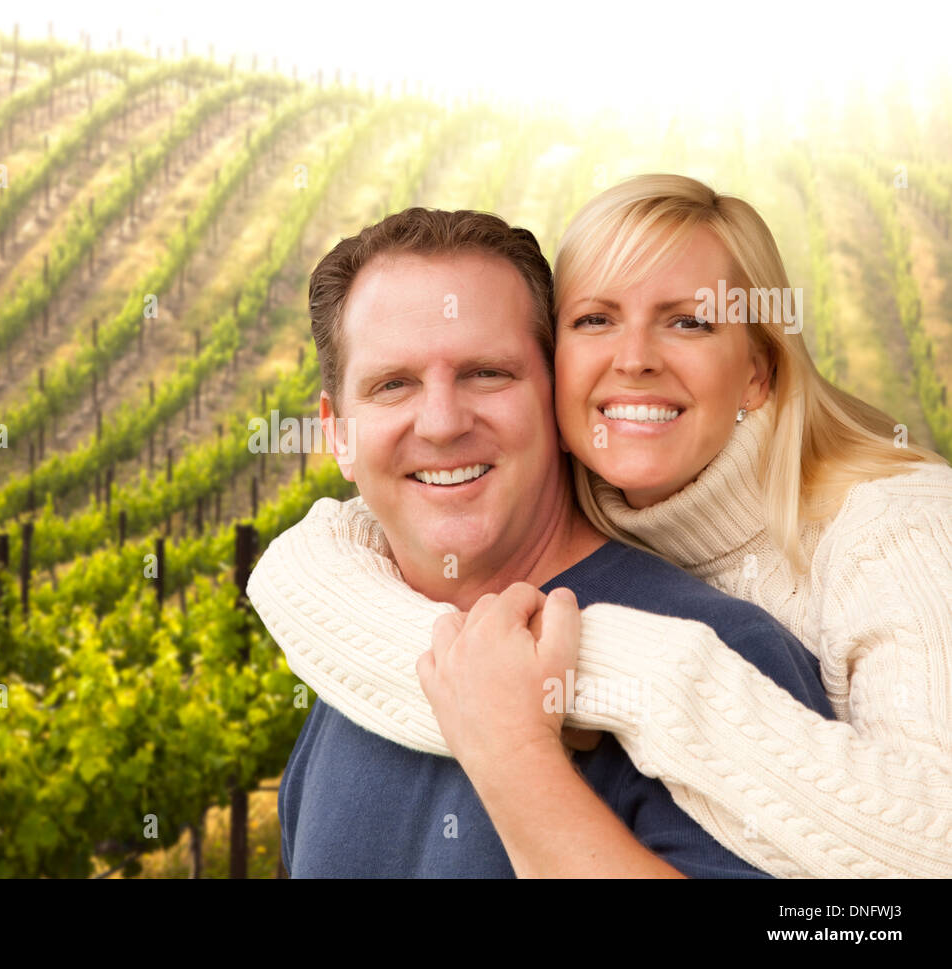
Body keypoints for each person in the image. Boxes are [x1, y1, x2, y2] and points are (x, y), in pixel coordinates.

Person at [248, 177, 952, 877]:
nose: (441, 422)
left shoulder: (814, 593)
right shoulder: (357, 654)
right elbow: (306, 565)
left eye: (487, 373)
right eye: (392, 384)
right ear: (335, 432)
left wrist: (558, 720)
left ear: (549, 396)